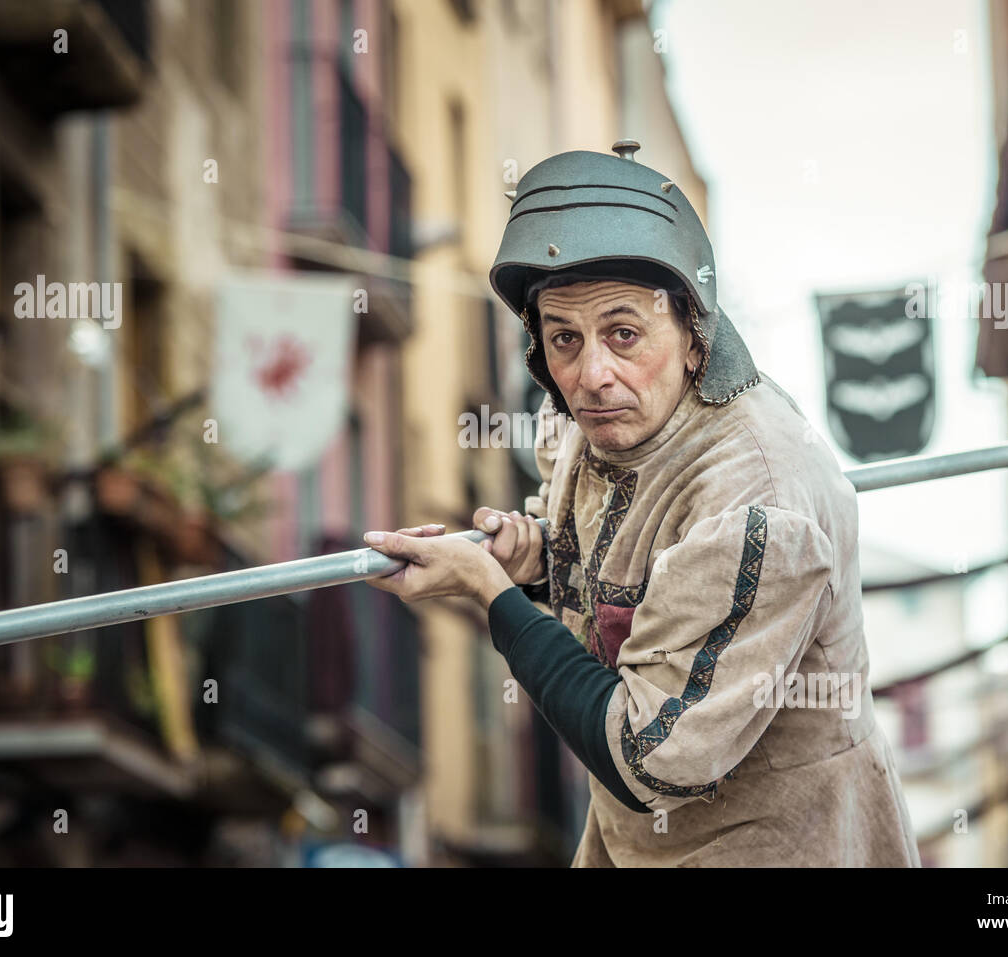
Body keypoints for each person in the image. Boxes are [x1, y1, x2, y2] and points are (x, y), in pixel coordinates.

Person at [363, 142, 919, 866]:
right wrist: (532, 560)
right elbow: (616, 574)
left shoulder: (758, 501)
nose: (592, 374)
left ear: (693, 336)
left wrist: (491, 594)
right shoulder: (586, 431)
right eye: (564, 339)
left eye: (624, 334)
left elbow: (647, 756)